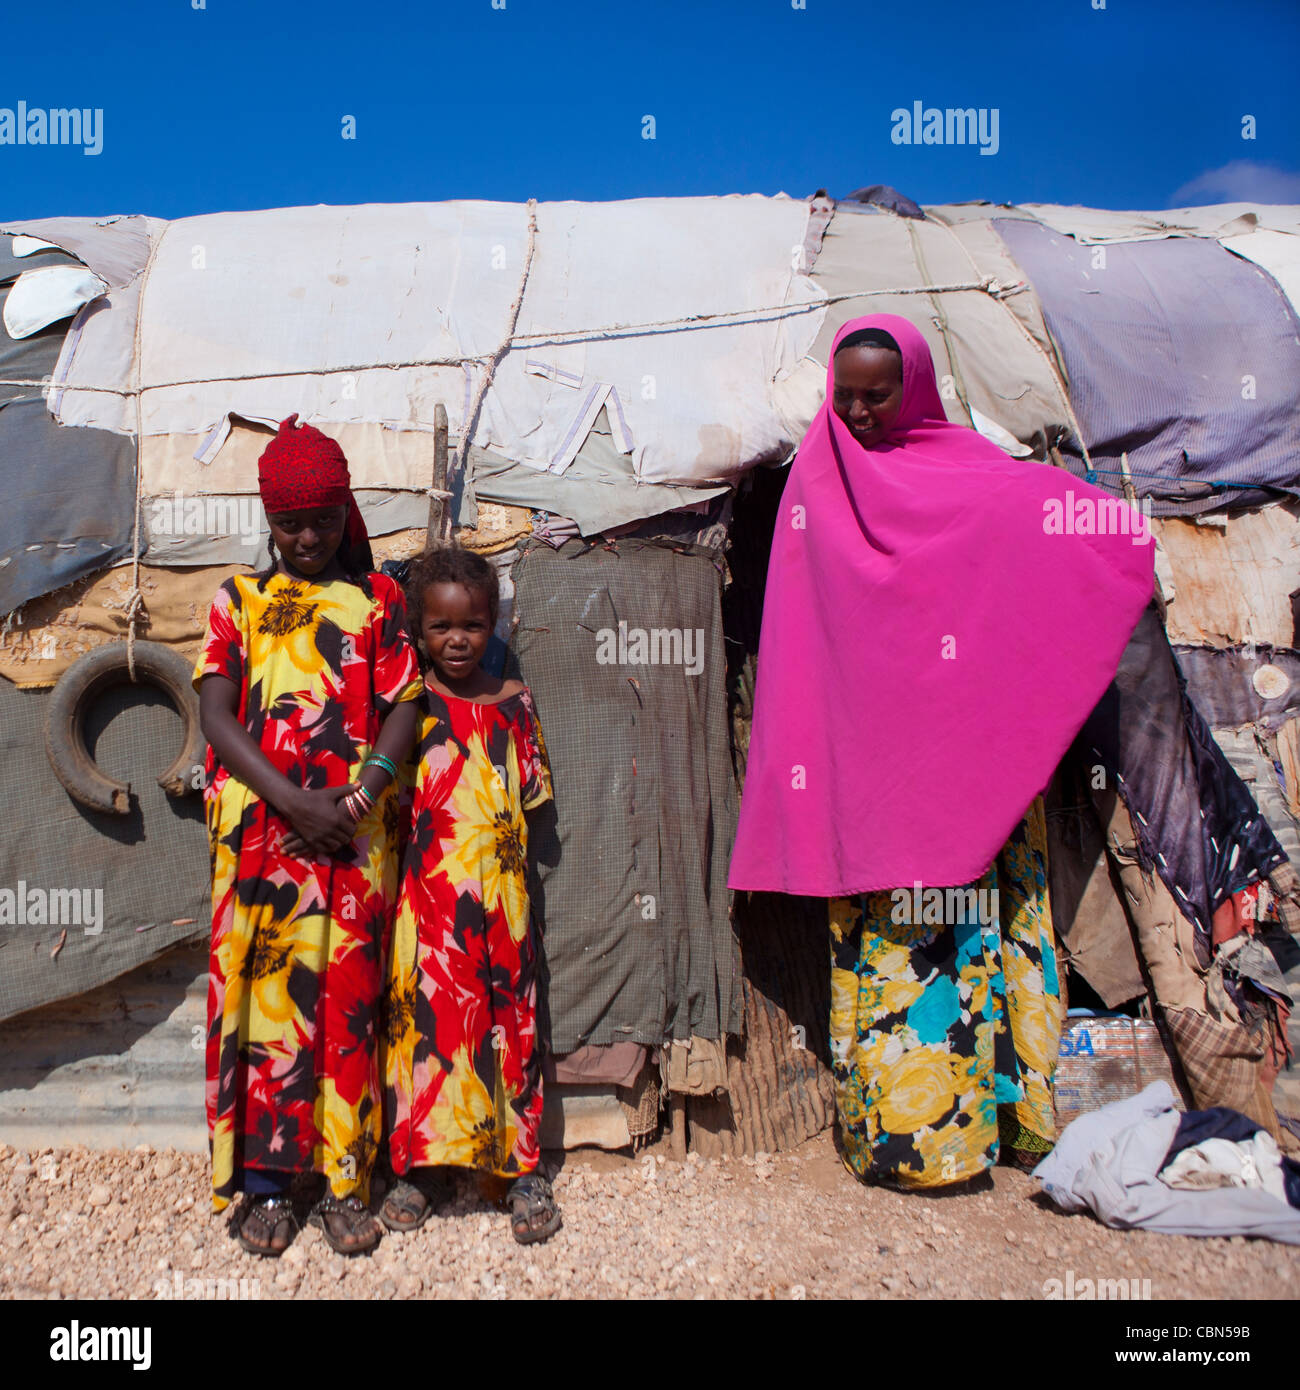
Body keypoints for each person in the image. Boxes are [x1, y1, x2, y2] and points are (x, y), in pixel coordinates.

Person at [729, 314, 1154, 1188]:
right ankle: (914, 1146)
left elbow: (1060, 529)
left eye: (877, 395)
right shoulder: (820, 471)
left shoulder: (972, 472)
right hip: (874, 763)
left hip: (966, 762)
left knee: (977, 935)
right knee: (901, 945)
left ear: (912, 387)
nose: (857, 412)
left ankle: (1009, 1125)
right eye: (844, 395)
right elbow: (814, 627)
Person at [194, 415, 421, 1254]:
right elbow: (217, 718)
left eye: (323, 518)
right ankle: (266, 1185)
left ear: (344, 509)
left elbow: (406, 704)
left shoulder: (379, 601)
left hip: (353, 844)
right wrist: (293, 801)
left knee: (346, 1004)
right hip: (265, 845)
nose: (308, 536)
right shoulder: (238, 602)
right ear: (267, 517)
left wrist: (359, 798)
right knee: (262, 1010)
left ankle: (343, 1182)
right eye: (290, 522)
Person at [378, 544, 560, 1243]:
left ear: (494, 625)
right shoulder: (408, 710)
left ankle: (521, 1171)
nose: (458, 640)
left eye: (474, 626)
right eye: (440, 628)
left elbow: (530, 798)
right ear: (418, 631)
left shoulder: (515, 707)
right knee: (426, 1034)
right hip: (426, 905)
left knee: (509, 1027)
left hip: (502, 904)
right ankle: (421, 1170)